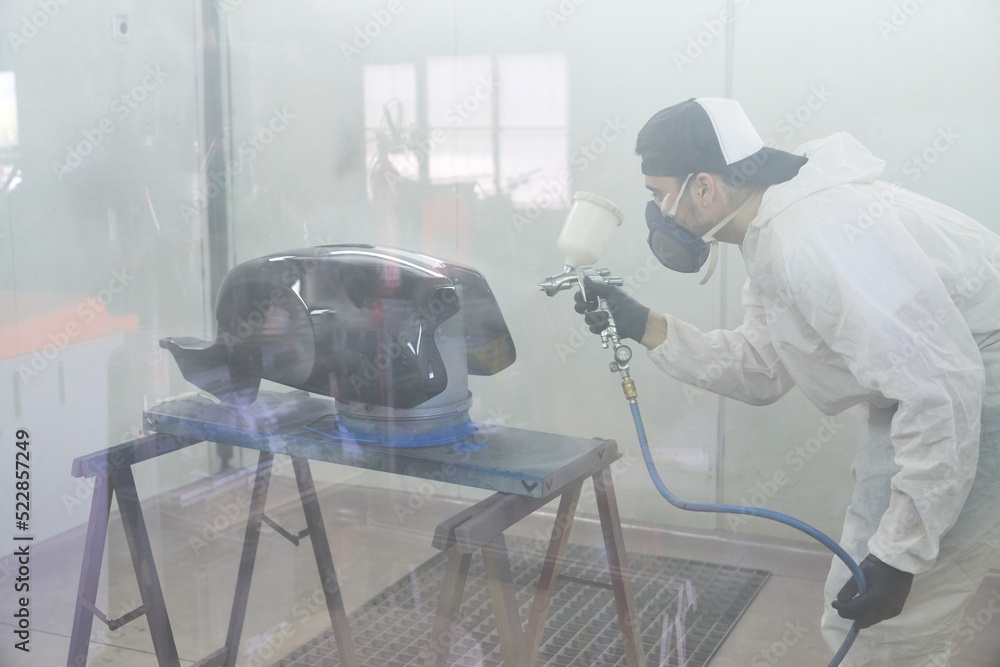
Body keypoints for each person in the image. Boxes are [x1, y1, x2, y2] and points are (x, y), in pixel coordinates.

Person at [575, 97, 1000, 665]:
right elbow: (764, 365)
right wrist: (645, 325)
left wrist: (900, 555)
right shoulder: (774, 229)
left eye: (658, 194)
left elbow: (942, 388)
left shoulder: (814, 237)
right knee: (863, 607)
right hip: (933, 393)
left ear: (702, 187)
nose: (658, 213)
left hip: (977, 396)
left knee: (890, 628)